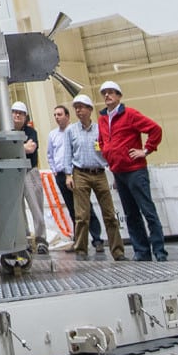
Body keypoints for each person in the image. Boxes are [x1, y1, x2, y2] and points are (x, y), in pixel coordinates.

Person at [98, 80, 167, 261]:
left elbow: (155, 129)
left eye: (111, 92)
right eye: (104, 93)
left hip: (135, 171)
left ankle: (159, 251)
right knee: (131, 214)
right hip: (119, 173)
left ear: (119, 96)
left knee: (147, 211)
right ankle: (141, 251)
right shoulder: (103, 119)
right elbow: (103, 142)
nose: (107, 95)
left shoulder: (130, 114)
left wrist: (145, 150)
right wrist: (109, 157)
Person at [65, 95, 125, 260]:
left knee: (110, 215)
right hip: (80, 173)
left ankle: (118, 252)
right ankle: (81, 251)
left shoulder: (101, 129)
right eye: (76, 107)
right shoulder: (71, 130)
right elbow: (67, 154)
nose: (79, 110)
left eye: (82, 107)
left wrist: (114, 172)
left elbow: (109, 151)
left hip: (99, 173)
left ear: (90, 109)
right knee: (82, 216)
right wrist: (68, 175)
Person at [47, 103, 102, 249]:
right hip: (60, 174)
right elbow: (50, 155)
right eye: (55, 115)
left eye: (59, 114)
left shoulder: (74, 131)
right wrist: (55, 170)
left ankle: (97, 239)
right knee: (72, 209)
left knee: (86, 207)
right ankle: (79, 240)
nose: (57, 117)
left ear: (67, 116)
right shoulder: (52, 135)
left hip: (76, 173)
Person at [10, 101, 49, 255]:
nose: (17, 115)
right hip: (13, 174)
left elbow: (31, 148)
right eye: (14, 112)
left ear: (26, 117)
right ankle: (24, 240)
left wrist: (13, 147)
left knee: (36, 207)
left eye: (21, 113)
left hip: (29, 172)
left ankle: (41, 240)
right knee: (18, 210)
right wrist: (22, 147)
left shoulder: (31, 132)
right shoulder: (8, 131)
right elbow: (23, 148)